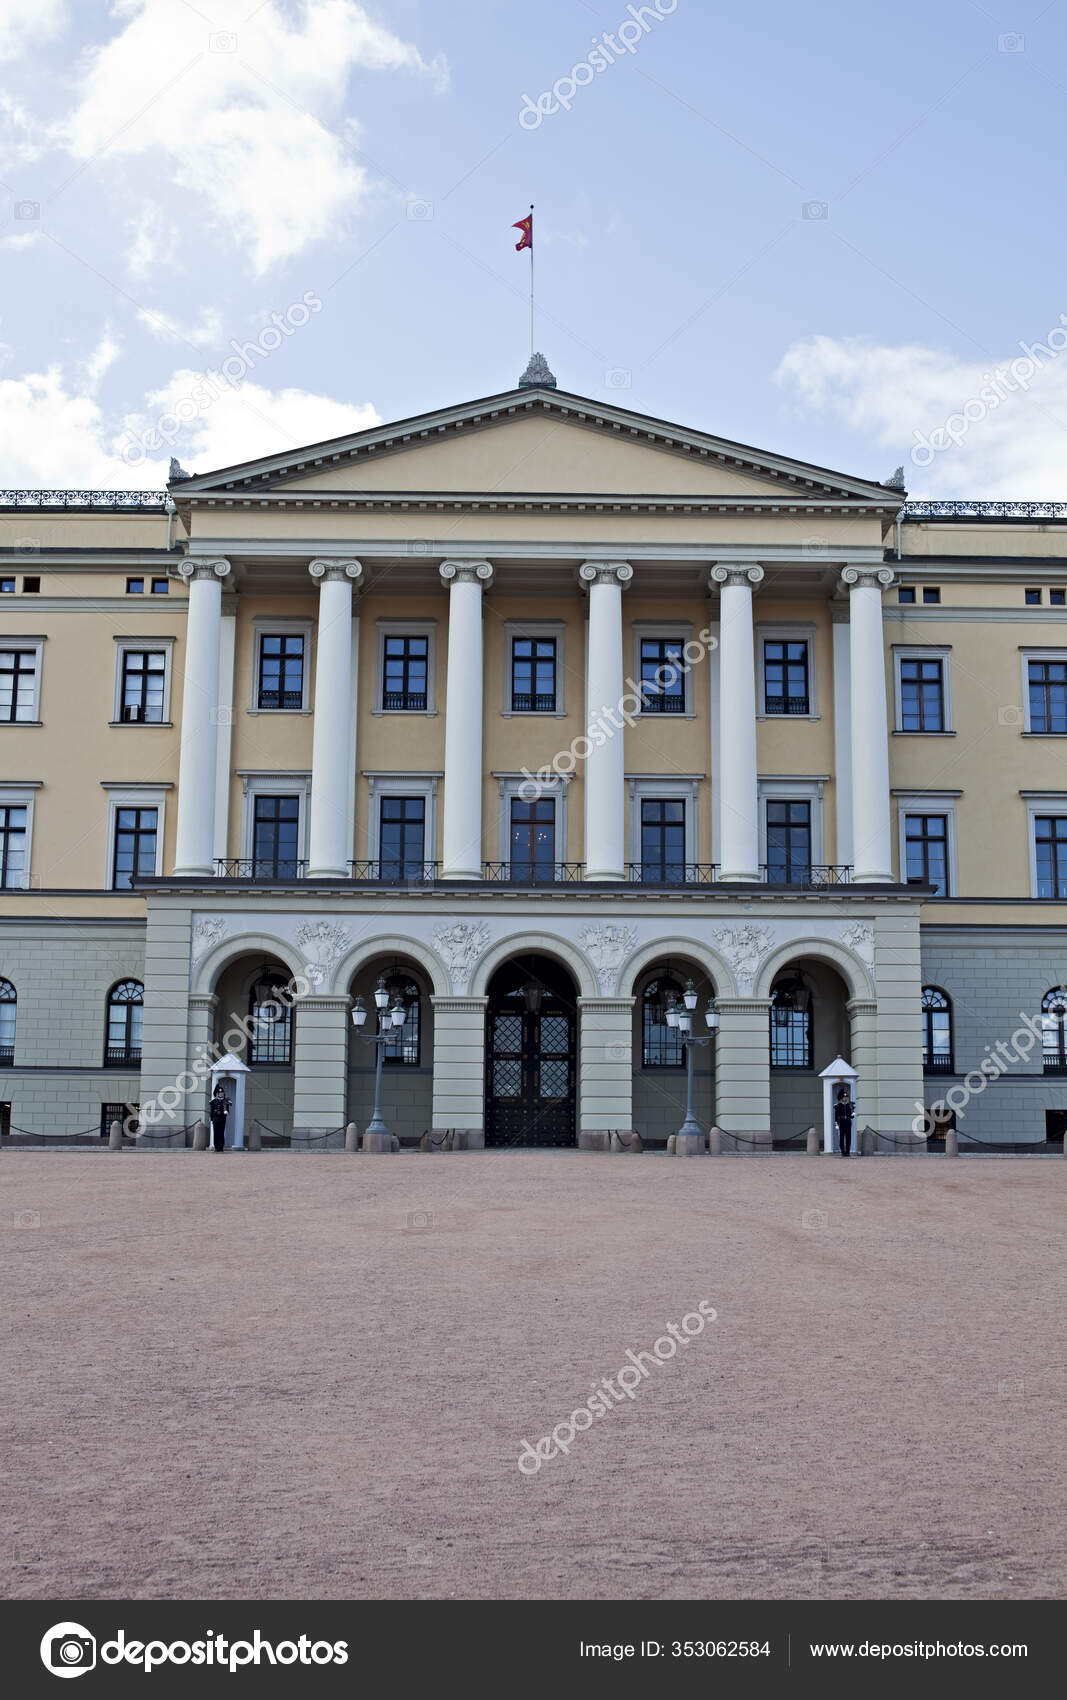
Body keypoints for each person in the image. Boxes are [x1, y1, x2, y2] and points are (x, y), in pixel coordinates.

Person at [209, 1083, 231, 1153]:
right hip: (215, 1119)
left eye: (222, 1093)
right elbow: (211, 1111)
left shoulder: (225, 1101)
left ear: (223, 1093)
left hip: (222, 1119)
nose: (221, 1094)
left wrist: (227, 1111)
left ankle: (221, 1147)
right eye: (219, 1093)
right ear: (217, 1094)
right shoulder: (214, 1101)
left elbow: (227, 1109)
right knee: (216, 1133)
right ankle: (216, 1147)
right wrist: (211, 1119)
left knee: (221, 1133)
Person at [834, 1085, 854, 1157]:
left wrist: (852, 1115)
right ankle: (843, 1151)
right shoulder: (838, 1105)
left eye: (846, 1097)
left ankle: (847, 1151)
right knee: (842, 1138)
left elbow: (851, 1116)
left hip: (848, 1122)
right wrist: (836, 1123)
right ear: (842, 1098)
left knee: (848, 1137)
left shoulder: (849, 1105)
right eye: (844, 1097)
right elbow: (836, 1115)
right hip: (841, 1122)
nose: (845, 1098)